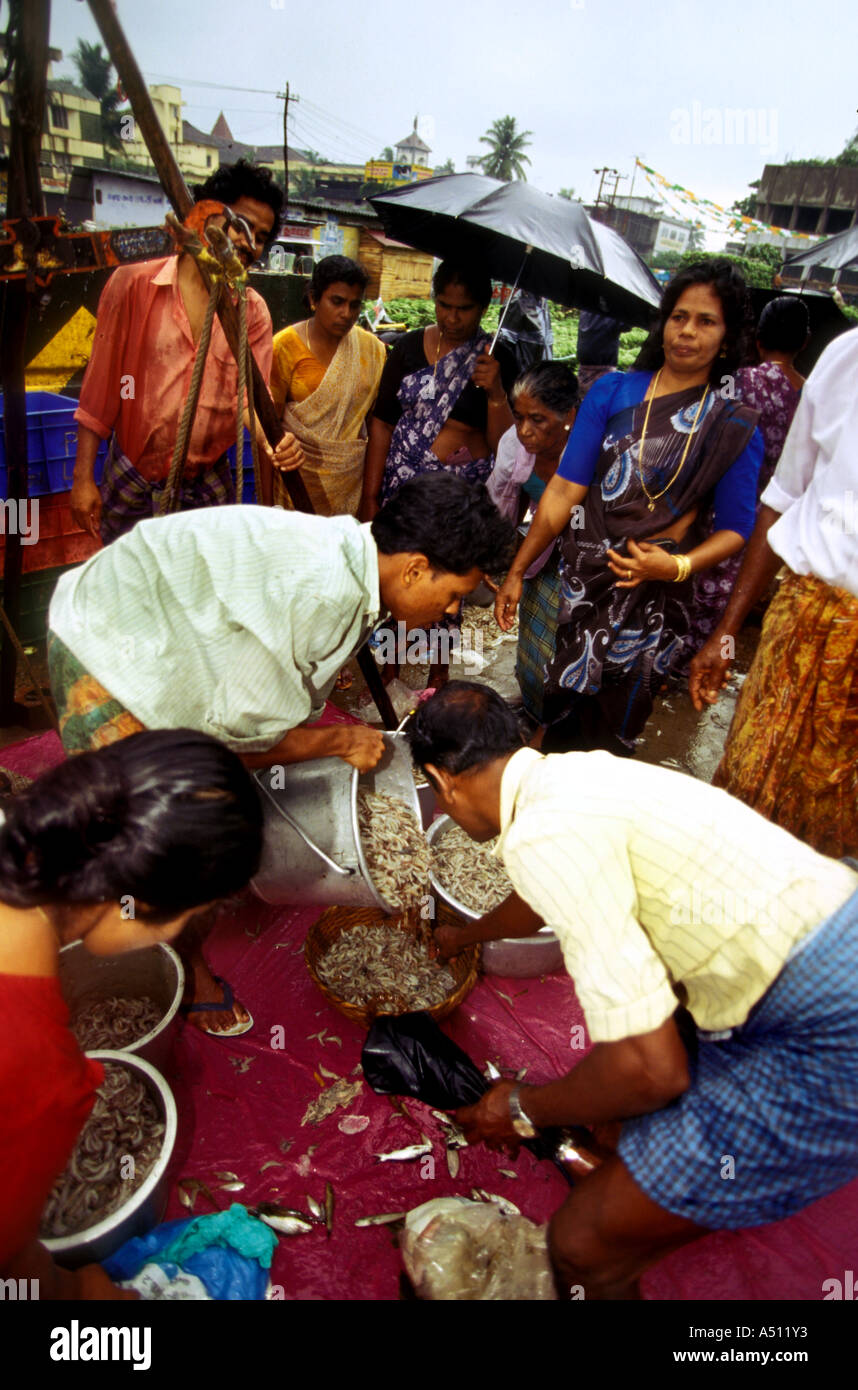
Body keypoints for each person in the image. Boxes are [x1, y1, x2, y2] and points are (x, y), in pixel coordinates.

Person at [408, 681, 858, 1300]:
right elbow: (532, 904)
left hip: (829, 1027)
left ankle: (639, 1226)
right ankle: (654, 1190)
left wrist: (520, 1109)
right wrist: (466, 936)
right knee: (618, 1122)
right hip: (830, 928)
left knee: (580, 1244)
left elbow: (653, 1072)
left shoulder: (541, 836)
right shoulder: (571, 776)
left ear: (442, 779)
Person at [47, 475, 515, 1035]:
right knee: (162, 833)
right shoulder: (325, 595)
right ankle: (175, 965)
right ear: (414, 567)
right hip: (106, 648)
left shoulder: (357, 551)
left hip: (148, 606)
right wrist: (339, 741)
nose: (449, 611)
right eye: (454, 596)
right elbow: (233, 742)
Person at [0, 730, 263, 1300]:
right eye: (196, 915)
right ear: (136, 904)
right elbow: (12, 1268)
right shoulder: (34, 1066)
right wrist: (94, 1297)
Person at [494, 259, 764, 756]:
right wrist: (516, 569)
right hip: (587, 583)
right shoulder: (612, 391)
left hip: (656, 598)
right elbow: (562, 491)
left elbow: (737, 529)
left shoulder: (733, 424)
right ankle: (537, 795)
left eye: (706, 321)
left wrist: (676, 566)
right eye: (680, 317)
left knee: (614, 726)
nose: (687, 331)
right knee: (558, 703)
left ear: (726, 339)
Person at [689, 325, 858, 860]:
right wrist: (727, 633)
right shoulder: (844, 357)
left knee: (836, 824)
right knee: (747, 788)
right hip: (799, 617)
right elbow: (781, 498)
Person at [70, 159, 302, 545]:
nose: (250, 244)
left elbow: (247, 401)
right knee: (129, 589)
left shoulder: (252, 311)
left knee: (196, 594)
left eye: (261, 237)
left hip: (205, 482)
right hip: (132, 473)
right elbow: (101, 391)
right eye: (241, 225)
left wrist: (272, 440)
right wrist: (82, 479)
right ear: (207, 215)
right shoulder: (133, 285)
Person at [682, 295, 809, 659]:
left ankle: (667, 670)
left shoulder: (736, 382)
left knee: (692, 579)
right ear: (804, 342)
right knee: (731, 592)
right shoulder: (809, 395)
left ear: (758, 338)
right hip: (769, 519)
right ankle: (704, 660)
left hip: (716, 504)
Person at [359, 259, 517, 518]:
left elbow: (507, 450)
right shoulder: (407, 348)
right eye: (444, 306)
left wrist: (496, 394)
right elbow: (382, 423)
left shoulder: (499, 360)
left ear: (483, 308)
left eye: (464, 309)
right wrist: (370, 496)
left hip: (461, 500)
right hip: (403, 488)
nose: (452, 318)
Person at [487, 363, 579, 722]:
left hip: (588, 555)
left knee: (574, 640)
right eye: (519, 416)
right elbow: (502, 504)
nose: (525, 430)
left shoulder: (592, 449)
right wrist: (498, 561)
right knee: (535, 639)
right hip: (541, 549)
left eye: (538, 420)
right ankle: (536, 708)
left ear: (568, 415)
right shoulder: (514, 445)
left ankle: (564, 723)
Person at [269, 255, 386, 516]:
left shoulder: (372, 351)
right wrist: (266, 507)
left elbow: (374, 424)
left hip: (348, 488)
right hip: (293, 484)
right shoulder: (285, 346)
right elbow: (269, 430)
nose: (347, 313)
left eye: (355, 305)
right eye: (337, 302)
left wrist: (370, 498)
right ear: (314, 299)